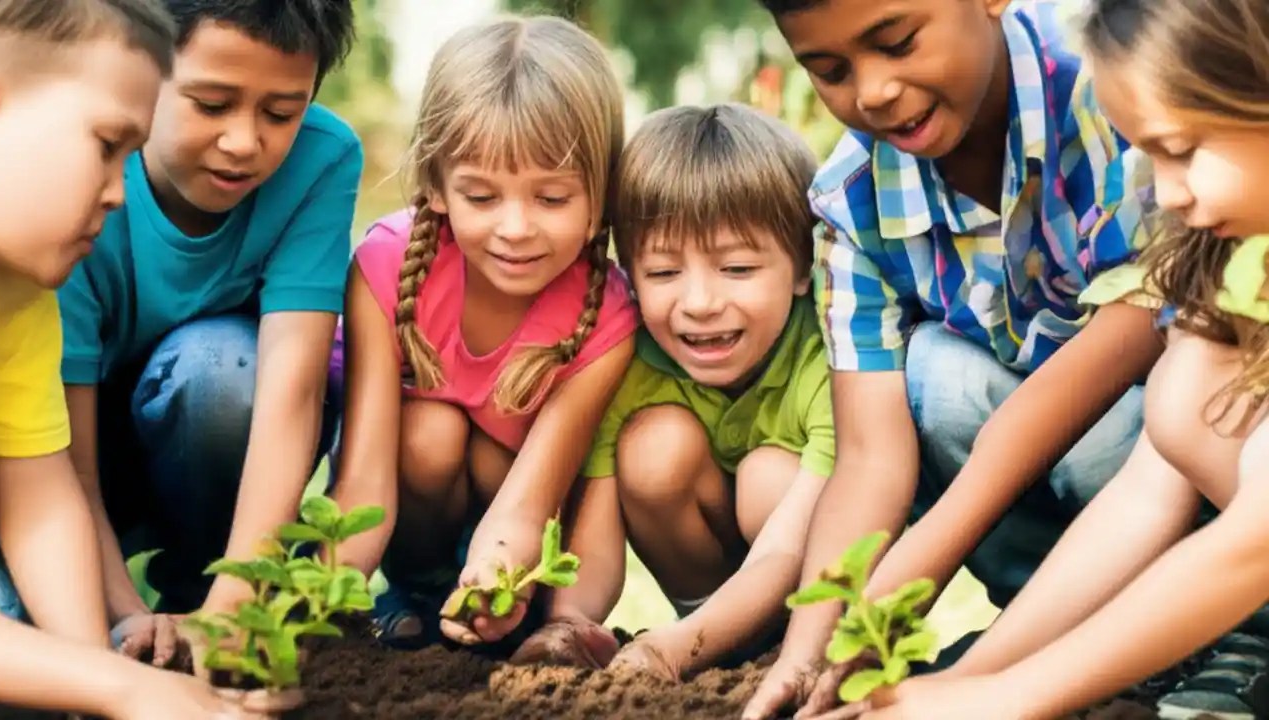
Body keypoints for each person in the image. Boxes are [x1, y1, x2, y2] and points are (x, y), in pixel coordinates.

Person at [741, 1, 1160, 717]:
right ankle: (1046, 630)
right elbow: (870, 457)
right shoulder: (854, 202)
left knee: (1136, 421)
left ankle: (1217, 638)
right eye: (831, 70)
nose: (871, 91)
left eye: (897, 42)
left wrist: (917, 565)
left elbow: (1142, 323)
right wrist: (811, 647)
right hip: (1051, 503)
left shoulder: (1108, 76)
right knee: (934, 372)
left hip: (1171, 449)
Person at [852, 1, 1269, 718]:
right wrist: (972, 678)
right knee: (1188, 378)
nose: (1166, 193)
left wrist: (1011, 699)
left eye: (1183, 147)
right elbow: (1144, 496)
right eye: (1148, 153)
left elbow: (1255, 541)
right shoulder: (1234, 260)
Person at [56, 0, 363, 659]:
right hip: (67, 449)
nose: (244, 142)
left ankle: (199, 588)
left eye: (281, 113)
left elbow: (291, 394)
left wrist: (232, 603)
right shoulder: (76, 173)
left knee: (220, 369)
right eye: (212, 103)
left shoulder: (323, 161)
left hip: (209, 431)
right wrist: (122, 613)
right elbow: (61, 456)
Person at [0, 1, 269, 717]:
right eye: (106, 144)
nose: (119, 192)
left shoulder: (17, 297)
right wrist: (121, 686)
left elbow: (39, 496)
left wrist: (92, 682)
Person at [329, 15, 636, 649]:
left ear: (600, 201)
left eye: (550, 199)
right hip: (418, 508)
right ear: (436, 187)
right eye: (482, 197)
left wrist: (496, 582)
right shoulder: (384, 268)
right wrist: (316, 602)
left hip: (525, 519)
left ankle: (498, 615)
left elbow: (532, 498)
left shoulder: (606, 314)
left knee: (485, 449)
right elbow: (362, 479)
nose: (516, 228)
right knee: (430, 431)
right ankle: (415, 592)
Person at [512, 102, 838, 681]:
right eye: (663, 273)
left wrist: (669, 651)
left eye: (737, 269)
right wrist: (568, 624)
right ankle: (722, 640)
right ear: (630, 274)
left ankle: (758, 640)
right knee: (653, 448)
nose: (700, 303)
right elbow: (596, 535)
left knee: (770, 479)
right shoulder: (632, 357)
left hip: (809, 584)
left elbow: (788, 546)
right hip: (708, 587)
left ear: (801, 265)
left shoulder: (831, 354)